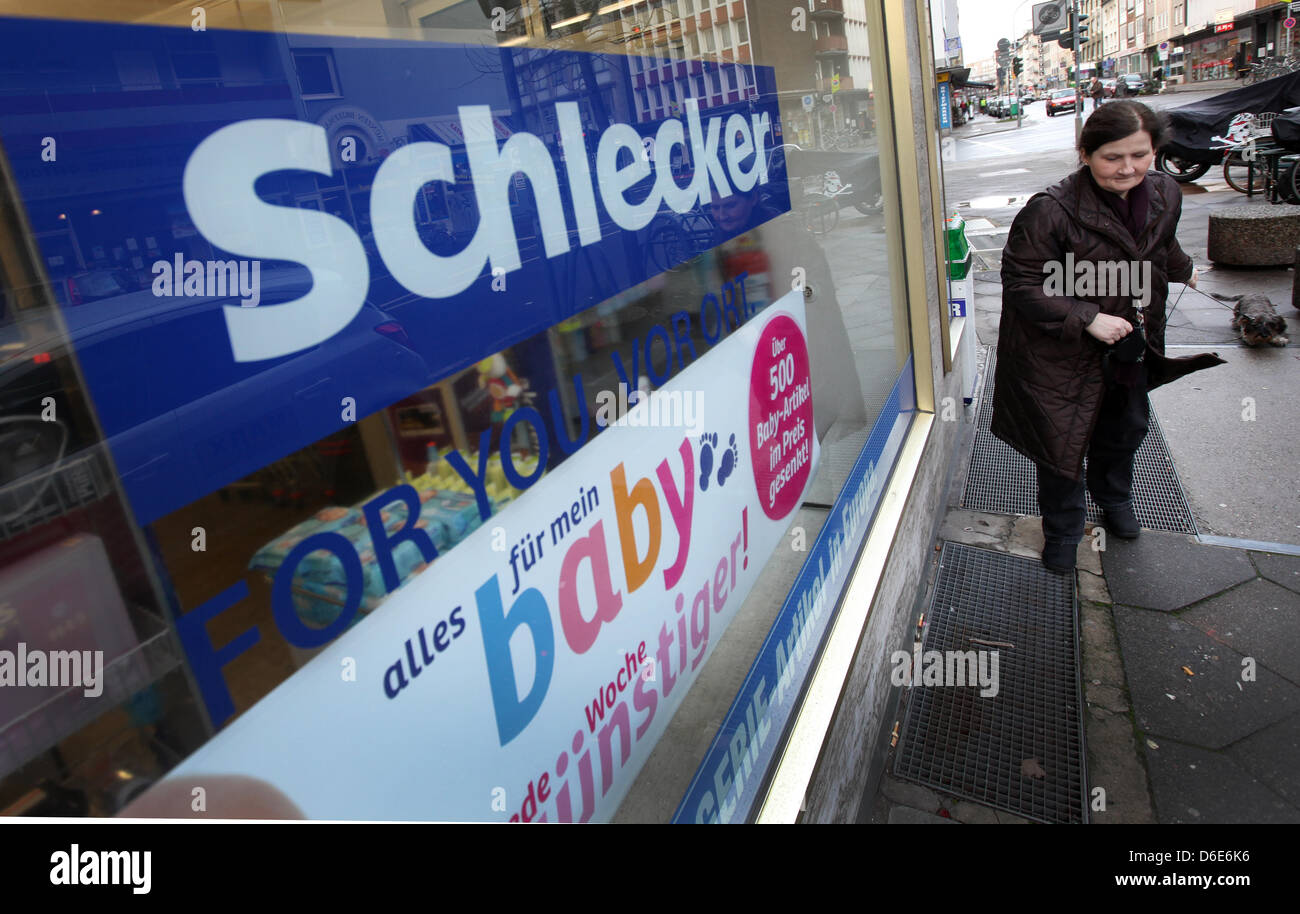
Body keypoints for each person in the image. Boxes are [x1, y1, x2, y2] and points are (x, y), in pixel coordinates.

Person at [991, 101, 1224, 574]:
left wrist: (1184, 270)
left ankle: (1115, 499)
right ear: (1085, 153)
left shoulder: (1163, 191)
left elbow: (1162, 242)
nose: (1128, 168)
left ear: (1155, 152)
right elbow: (1021, 284)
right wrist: (1087, 316)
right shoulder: (1050, 211)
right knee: (1062, 446)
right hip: (1059, 351)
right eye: (1112, 157)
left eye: (1140, 155)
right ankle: (1062, 530)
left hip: (1131, 342)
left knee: (1125, 429)